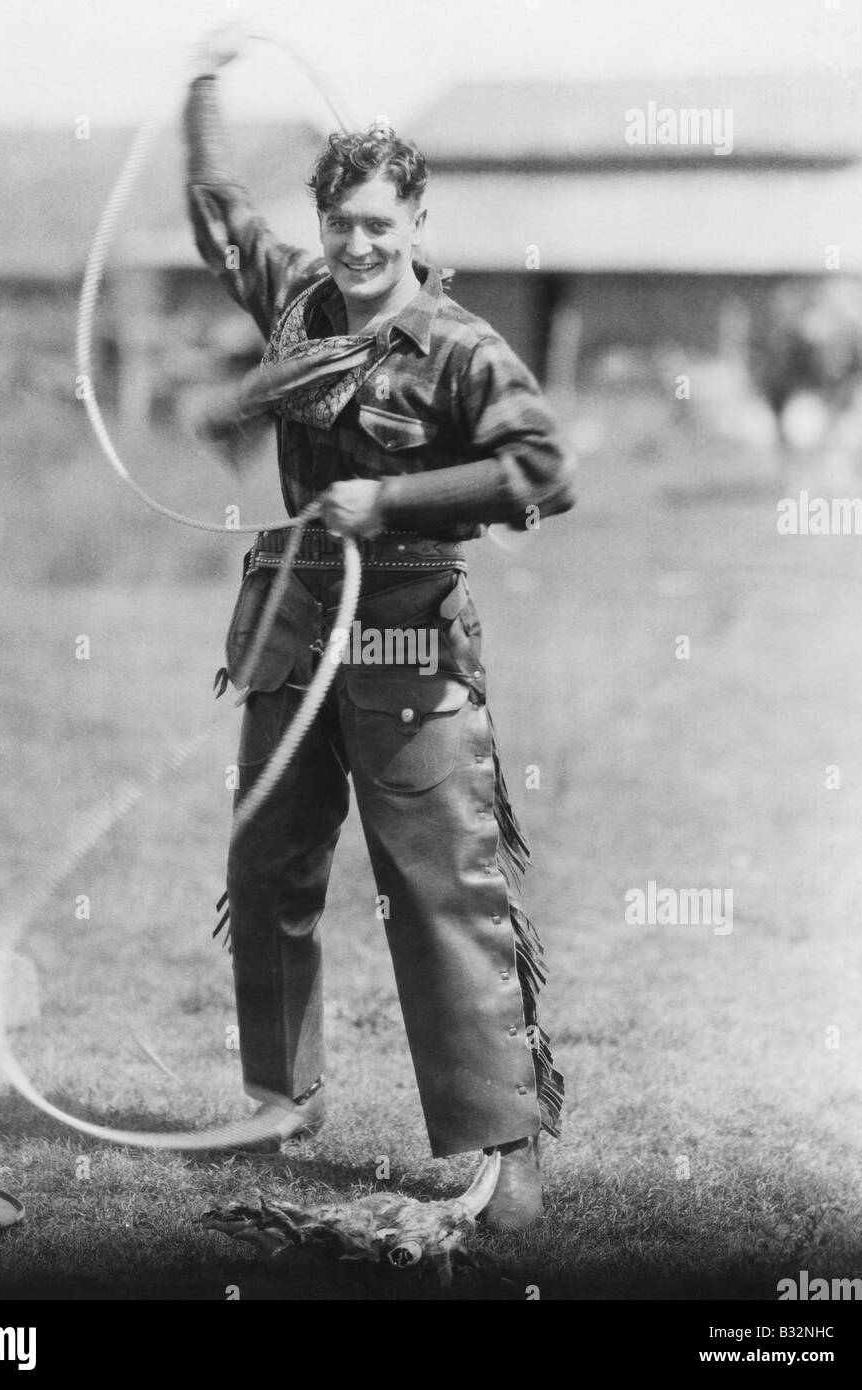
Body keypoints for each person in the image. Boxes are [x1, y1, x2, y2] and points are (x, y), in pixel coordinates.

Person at [184, 33, 576, 1230]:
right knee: (267, 873)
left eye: (377, 224)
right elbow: (217, 215)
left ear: (414, 220)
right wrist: (203, 85)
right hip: (293, 634)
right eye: (340, 222)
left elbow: (543, 471)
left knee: (440, 892)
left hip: (408, 648)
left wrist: (392, 499)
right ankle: (275, 1099)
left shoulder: (461, 349)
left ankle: (507, 1157)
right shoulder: (300, 301)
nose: (357, 246)